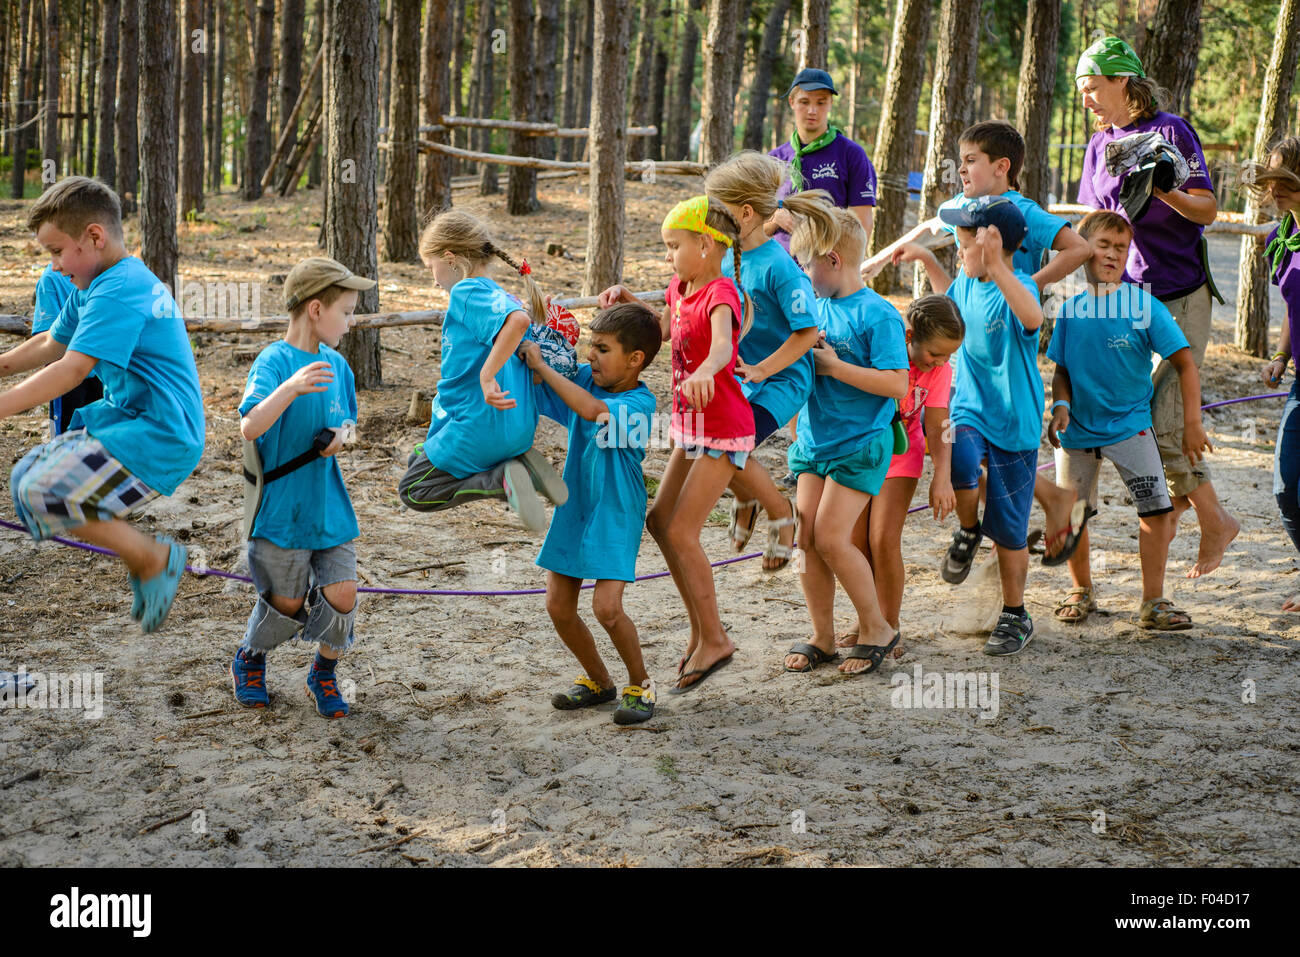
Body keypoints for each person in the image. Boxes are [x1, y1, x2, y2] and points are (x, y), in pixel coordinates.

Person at [0, 176, 204, 633]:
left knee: (43, 492)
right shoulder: (93, 285)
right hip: (130, 421)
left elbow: (71, 370)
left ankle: (152, 558)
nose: (53, 266)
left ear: (94, 236)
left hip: (161, 433)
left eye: (57, 251)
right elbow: (50, 344)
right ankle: (136, 547)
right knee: (24, 477)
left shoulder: (121, 287)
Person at [1075, 35, 1238, 579]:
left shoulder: (1170, 131)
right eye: (1081, 90)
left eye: (1093, 87)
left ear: (1123, 81)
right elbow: (1096, 223)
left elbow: (1207, 210)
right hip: (1127, 299)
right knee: (1142, 420)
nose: (1086, 99)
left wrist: (1163, 190)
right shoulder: (1099, 145)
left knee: (1166, 422)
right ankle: (1183, 505)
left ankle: (1215, 520)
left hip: (1180, 294)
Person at [598, 195, 754, 693]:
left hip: (723, 426)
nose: (668, 256)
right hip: (690, 426)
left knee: (683, 531)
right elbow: (665, 330)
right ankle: (700, 629)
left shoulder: (722, 293)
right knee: (660, 521)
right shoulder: (681, 288)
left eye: (673, 245)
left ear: (705, 244)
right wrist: (630, 303)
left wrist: (708, 370)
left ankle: (716, 638)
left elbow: (724, 346)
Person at [1046, 211, 1211, 629]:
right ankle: (1081, 590)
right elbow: (1061, 370)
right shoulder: (1069, 310)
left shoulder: (1143, 305)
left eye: (1121, 247)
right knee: (1072, 515)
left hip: (1131, 427)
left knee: (1155, 512)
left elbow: (1185, 363)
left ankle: (1153, 601)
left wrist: (1192, 423)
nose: (1113, 254)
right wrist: (1060, 405)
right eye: (1103, 244)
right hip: (1077, 432)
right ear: (1081, 250)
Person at [231, 257, 375, 717]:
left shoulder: (339, 366)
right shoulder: (274, 362)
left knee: (343, 594)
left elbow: (352, 425)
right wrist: (291, 387)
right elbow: (250, 426)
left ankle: (323, 673)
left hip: (328, 505)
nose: (350, 323)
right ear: (316, 309)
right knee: (286, 601)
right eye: (345, 312)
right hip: (281, 510)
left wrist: (341, 438)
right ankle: (251, 658)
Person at [910, 196, 1045, 656]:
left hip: (1016, 423)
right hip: (969, 409)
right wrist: (928, 260)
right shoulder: (966, 282)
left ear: (991, 246)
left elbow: (1033, 318)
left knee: (1008, 529)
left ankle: (1015, 613)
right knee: (961, 461)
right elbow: (948, 302)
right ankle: (968, 529)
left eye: (964, 244)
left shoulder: (1020, 286)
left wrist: (998, 267)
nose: (959, 251)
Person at [781, 207, 909, 675]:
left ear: (832, 260)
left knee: (832, 539)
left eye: (806, 264)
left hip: (860, 444)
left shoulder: (878, 314)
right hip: (814, 444)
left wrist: (835, 367)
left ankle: (877, 627)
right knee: (805, 541)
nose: (803, 274)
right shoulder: (813, 310)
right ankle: (823, 635)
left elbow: (897, 384)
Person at [520, 304, 662, 724]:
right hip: (576, 504)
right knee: (558, 606)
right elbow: (545, 387)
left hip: (617, 509)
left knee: (607, 608)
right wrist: (533, 343)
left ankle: (641, 684)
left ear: (635, 359)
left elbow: (591, 410)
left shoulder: (640, 402)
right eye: (589, 346)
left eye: (602, 349)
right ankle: (600, 682)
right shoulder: (582, 378)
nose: (590, 356)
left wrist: (544, 368)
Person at [704, 151, 835, 570]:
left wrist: (762, 369)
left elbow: (807, 332)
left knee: (731, 446)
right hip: (742, 375)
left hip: (782, 379)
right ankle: (746, 497)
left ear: (744, 213)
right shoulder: (725, 256)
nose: (709, 217)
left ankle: (781, 513)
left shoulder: (781, 268)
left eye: (718, 209)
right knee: (704, 442)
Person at [397, 211, 566, 533]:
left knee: (414, 490)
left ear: (450, 258)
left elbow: (519, 322)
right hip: (515, 429)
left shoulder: (467, 292)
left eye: (431, 267)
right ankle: (520, 466)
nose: (434, 280)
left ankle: (500, 480)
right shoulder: (501, 295)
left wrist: (486, 377)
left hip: (479, 426)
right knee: (417, 460)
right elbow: (520, 329)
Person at [835, 294, 965, 655]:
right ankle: (868, 617)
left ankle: (889, 624)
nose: (941, 362)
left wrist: (942, 476)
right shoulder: (881, 351)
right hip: (862, 449)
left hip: (902, 453)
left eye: (948, 355)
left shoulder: (939, 371)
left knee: (883, 539)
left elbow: (938, 425)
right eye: (936, 353)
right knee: (856, 541)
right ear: (908, 337)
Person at [1249, 136, 1300, 612]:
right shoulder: (1278, 239)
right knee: (1287, 489)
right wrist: (1281, 356)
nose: (1274, 189)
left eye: (1285, 179)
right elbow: (1291, 306)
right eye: (1269, 179)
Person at [765, 68, 877, 254]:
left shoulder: (851, 155)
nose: (812, 110)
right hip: (778, 264)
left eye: (821, 102)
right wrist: (775, 219)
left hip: (826, 263)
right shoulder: (774, 159)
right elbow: (754, 228)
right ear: (792, 102)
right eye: (804, 102)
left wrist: (840, 265)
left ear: (831, 103)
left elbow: (862, 225)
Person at [30, 263, 103, 437]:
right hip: (66, 378)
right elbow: (46, 336)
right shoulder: (50, 279)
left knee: (100, 435)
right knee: (66, 436)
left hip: (103, 373)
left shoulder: (101, 274)